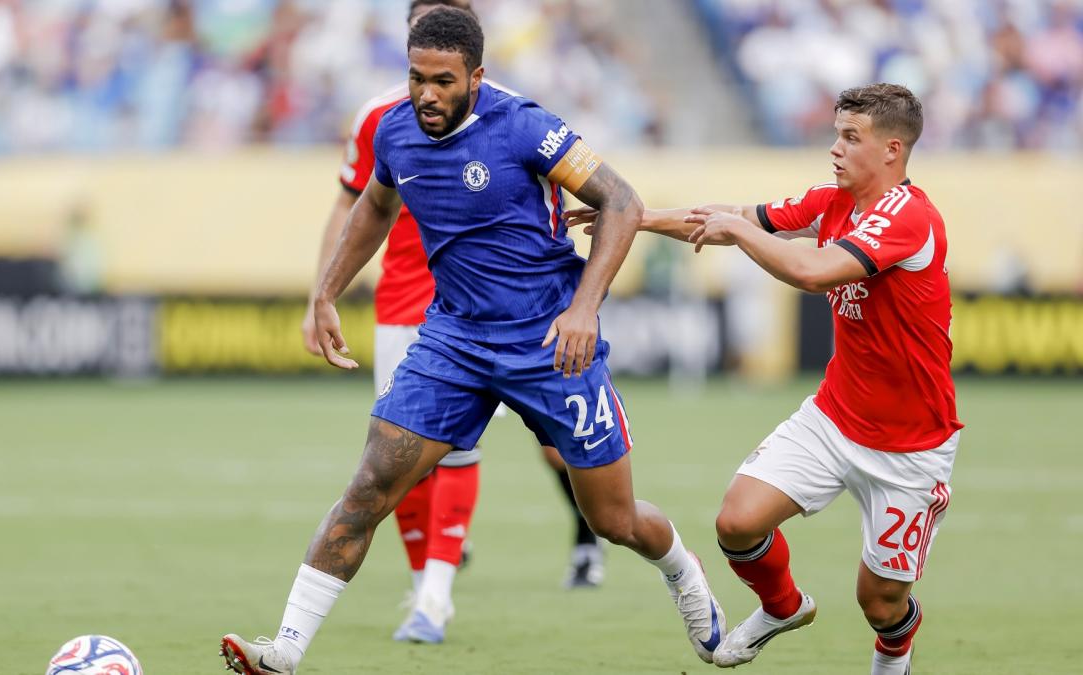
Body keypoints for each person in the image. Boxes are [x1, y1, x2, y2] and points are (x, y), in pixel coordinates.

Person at [222, 8, 724, 674]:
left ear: (476, 77)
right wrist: (327, 289)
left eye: (442, 81)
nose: (427, 94)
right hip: (454, 340)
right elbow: (375, 205)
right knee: (369, 485)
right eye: (415, 77)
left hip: (548, 339)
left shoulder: (525, 125)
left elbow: (622, 203)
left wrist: (583, 308)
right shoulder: (394, 131)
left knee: (615, 518)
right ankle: (283, 650)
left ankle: (685, 577)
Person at [572, 83, 961, 674]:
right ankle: (782, 606)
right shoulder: (832, 201)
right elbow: (730, 218)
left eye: (851, 137)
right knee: (737, 521)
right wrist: (636, 218)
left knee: (879, 602)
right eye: (835, 133)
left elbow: (812, 271)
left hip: (910, 447)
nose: (835, 148)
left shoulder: (909, 217)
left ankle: (893, 659)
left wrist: (740, 233)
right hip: (834, 417)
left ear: (893, 150)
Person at [299, 0, 604, 645]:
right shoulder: (379, 120)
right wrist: (320, 293)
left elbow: (602, 194)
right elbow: (358, 205)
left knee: (490, 448)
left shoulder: (514, 114)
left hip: (491, 306)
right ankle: (424, 590)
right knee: (393, 457)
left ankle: (442, 592)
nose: (429, 82)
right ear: (409, 36)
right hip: (403, 299)